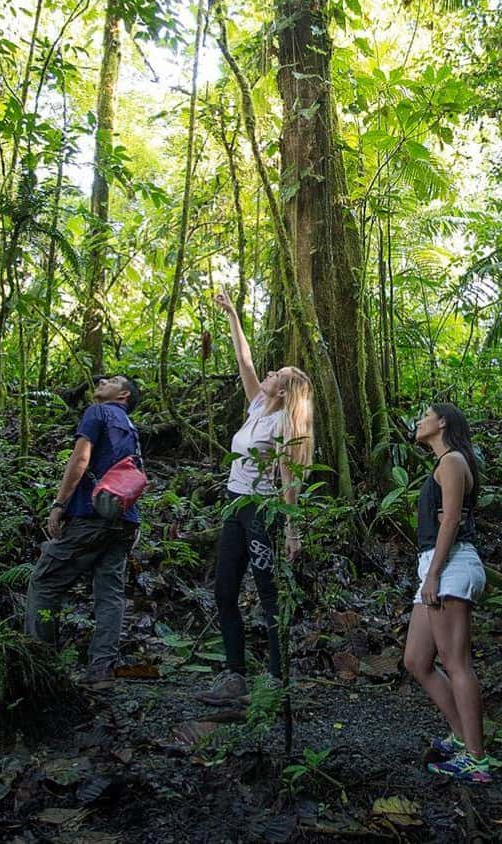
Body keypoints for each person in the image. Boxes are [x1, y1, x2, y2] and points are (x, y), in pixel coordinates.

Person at [195, 289, 314, 705]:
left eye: (275, 374)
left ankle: (276, 681)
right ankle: (235, 675)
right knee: (225, 591)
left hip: (264, 513)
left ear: (283, 391)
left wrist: (292, 531)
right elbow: (244, 361)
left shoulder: (283, 422)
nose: (267, 375)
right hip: (235, 504)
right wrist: (232, 314)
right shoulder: (257, 407)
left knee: (268, 596)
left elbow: (290, 477)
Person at [25, 375, 142, 690]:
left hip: (91, 516)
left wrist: (59, 504)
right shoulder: (131, 428)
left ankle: (40, 668)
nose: (103, 381)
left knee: (45, 581)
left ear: (124, 395)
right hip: (124, 518)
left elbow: (81, 458)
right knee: (110, 594)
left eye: (113, 381)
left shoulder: (98, 412)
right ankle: (101, 670)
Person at [403, 403, 492, 783]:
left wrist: (434, 575)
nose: (418, 421)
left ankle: (476, 758)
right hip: (436, 564)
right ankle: (461, 737)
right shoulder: (444, 464)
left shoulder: (453, 460)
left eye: (425, 414)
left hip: (451, 565)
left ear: (442, 422)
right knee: (416, 660)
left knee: (456, 663)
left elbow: (452, 519)